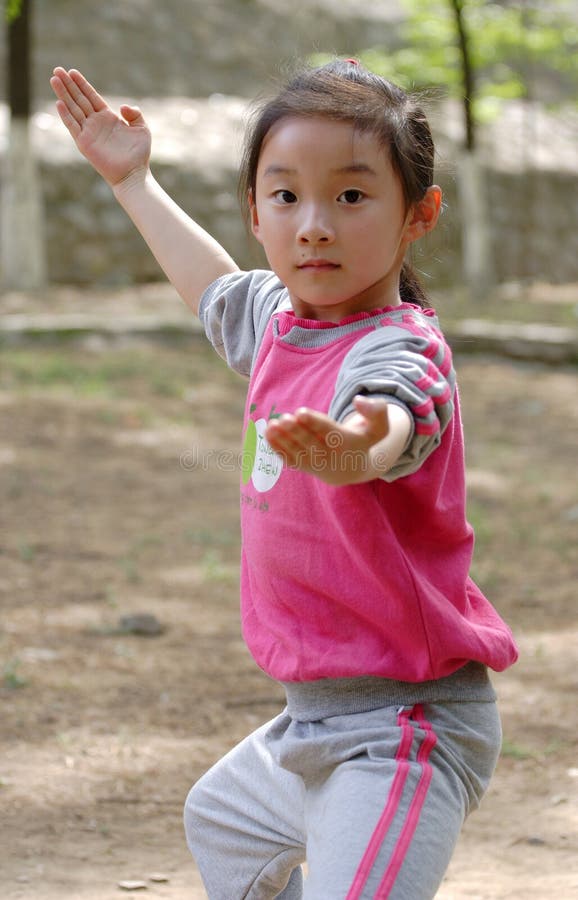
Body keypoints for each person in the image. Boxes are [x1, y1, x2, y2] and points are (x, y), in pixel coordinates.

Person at [51, 59, 518, 899]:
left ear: (420, 214)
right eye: (284, 197)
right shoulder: (279, 326)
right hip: (312, 720)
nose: (314, 226)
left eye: (350, 196)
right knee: (221, 820)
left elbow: (392, 421)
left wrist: (351, 450)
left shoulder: (398, 349)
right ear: (257, 215)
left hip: (406, 727)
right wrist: (134, 182)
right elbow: (214, 289)